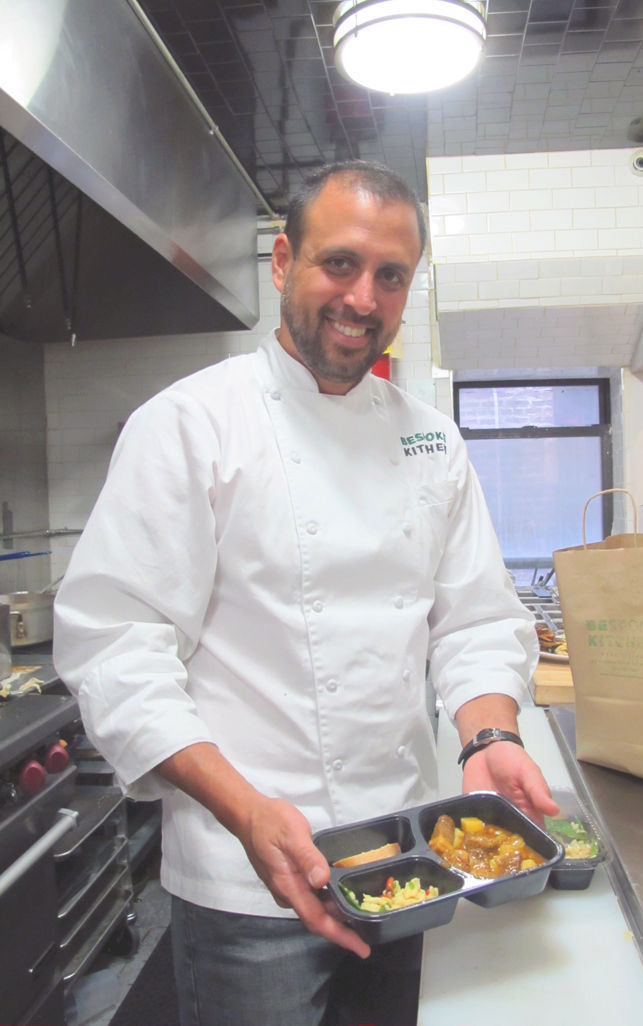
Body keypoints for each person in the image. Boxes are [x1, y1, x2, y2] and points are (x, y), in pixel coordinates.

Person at [53, 160, 559, 1026]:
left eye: (391, 275)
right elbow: (116, 647)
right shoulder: (190, 425)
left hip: (406, 858)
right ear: (284, 261)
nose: (363, 298)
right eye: (341, 264)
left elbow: (474, 618)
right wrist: (246, 811)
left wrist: (490, 735)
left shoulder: (432, 440)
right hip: (246, 875)